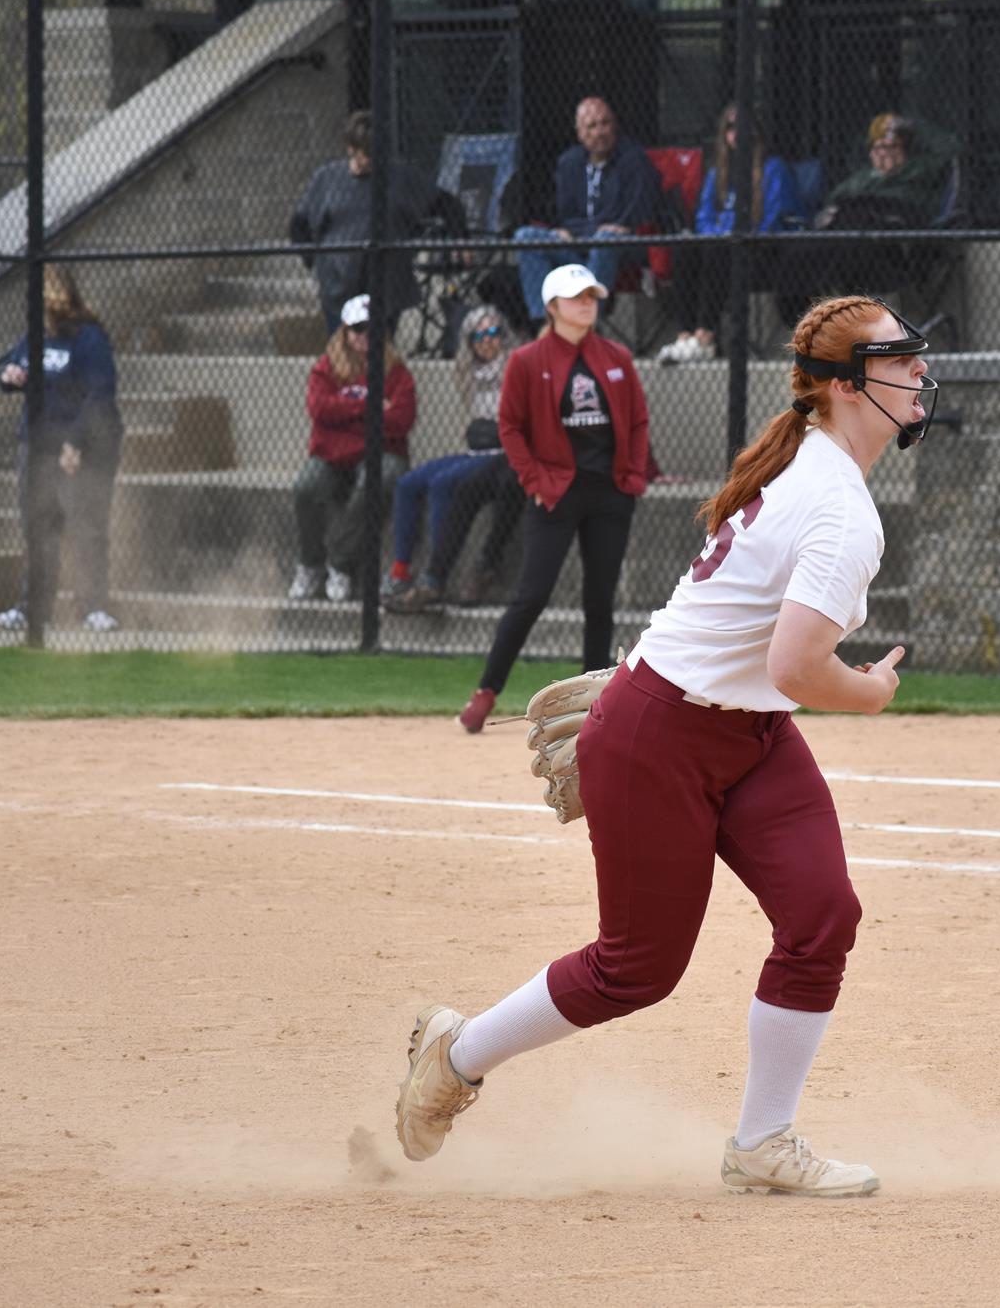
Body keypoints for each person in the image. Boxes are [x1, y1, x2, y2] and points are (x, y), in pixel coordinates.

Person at [397, 294, 935, 1196]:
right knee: (637, 966)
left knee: (821, 916)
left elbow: (755, 635)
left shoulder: (813, 459)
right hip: (665, 734)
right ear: (846, 387)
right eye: (897, 355)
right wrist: (870, 693)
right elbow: (799, 664)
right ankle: (457, 1053)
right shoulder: (839, 505)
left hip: (747, 731)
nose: (920, 366)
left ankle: (763, 1142)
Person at [456, 265, 647, 732]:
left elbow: (639, 421)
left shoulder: (616, 355)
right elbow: (510, 429)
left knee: (599, 600)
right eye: (575, 296)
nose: (586, 303)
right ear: (552, 306)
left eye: (591, 295)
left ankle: (590, 706)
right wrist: (536, 482)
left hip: (609, 493)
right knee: (531, 595)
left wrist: (632, 478)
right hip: (555, 493)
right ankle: (486, 691)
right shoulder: (527, 359)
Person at [0, 264, 122, 633]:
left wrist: (76, 443)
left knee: (86, 525)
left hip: (82, 446)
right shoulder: (36, 336)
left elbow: (100, 395)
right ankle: (33, 609)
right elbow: (11, 369)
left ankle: (93, 607)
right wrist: (9, 377)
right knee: (37, 526)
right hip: (37, 444)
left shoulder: (88, 338)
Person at [385, 309, 526, 612]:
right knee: (409, 482)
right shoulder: (467, 370)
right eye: (480, 336)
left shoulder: (516, 367)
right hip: (476, 449)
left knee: (442, 483)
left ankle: (434, 578)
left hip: (501, 455)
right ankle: (400, 569)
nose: (488, 342)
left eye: (494, 334)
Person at [656, 103, 806, 365]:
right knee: (685, 248)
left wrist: (732, 239)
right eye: (731, 127)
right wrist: (718, 234)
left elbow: (773, 219)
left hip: (759, 254)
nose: (737, 133)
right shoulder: (718, 173)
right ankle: (686, 337)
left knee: (719, 250)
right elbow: (703, 217)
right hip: (722, 249)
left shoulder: (773, 169)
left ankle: (705, 338)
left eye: (743, 127)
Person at [290, 294, 417, 603]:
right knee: (306, 487)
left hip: (380, 453)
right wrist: (370, 407)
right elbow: (320, 409)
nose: (365, 336)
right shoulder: (326, 368)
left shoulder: (396, 372)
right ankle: (310, 564)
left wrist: (346, 413)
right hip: (332, 457)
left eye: (373, 329)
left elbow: (401, 420)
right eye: (358, 328)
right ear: (345, 332)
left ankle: (340, 564)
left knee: (379, 478)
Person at [773, 113, 955, 326]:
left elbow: (950, 149)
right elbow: (836, 198)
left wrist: (914, 125)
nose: (885, 154)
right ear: (870, 153)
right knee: (802, 250)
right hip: (850, 232)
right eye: (879, 148)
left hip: (892, 235)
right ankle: (799, 315)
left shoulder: (917, 170)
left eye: (892, 147)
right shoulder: (863, 178)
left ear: (905, 151)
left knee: (853, 232)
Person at [287, 110, 460, 335]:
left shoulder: (400, 177)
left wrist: (459, 240)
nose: (367, 161)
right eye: (362, 154)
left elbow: (448, 204)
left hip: (387, 283)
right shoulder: (327, 178)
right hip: (338, 283)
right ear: (350, 148)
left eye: (373, 155)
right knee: (343, 356)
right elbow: (299, 224)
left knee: (382, 355)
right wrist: (315, 261)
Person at [512, 97, 659, 327]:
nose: (600, 132)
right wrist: (587, 230)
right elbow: (565, 217)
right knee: (525, 237)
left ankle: (586, 324)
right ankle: (546, 324)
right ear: (580, 133)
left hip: (621, 249)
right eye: (591, 126)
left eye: (605, 123)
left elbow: (634, 214)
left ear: (615, 126)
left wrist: (585, 231)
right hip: (578, 247)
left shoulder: (634, 160)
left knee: (606, 239)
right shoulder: (568, 163)